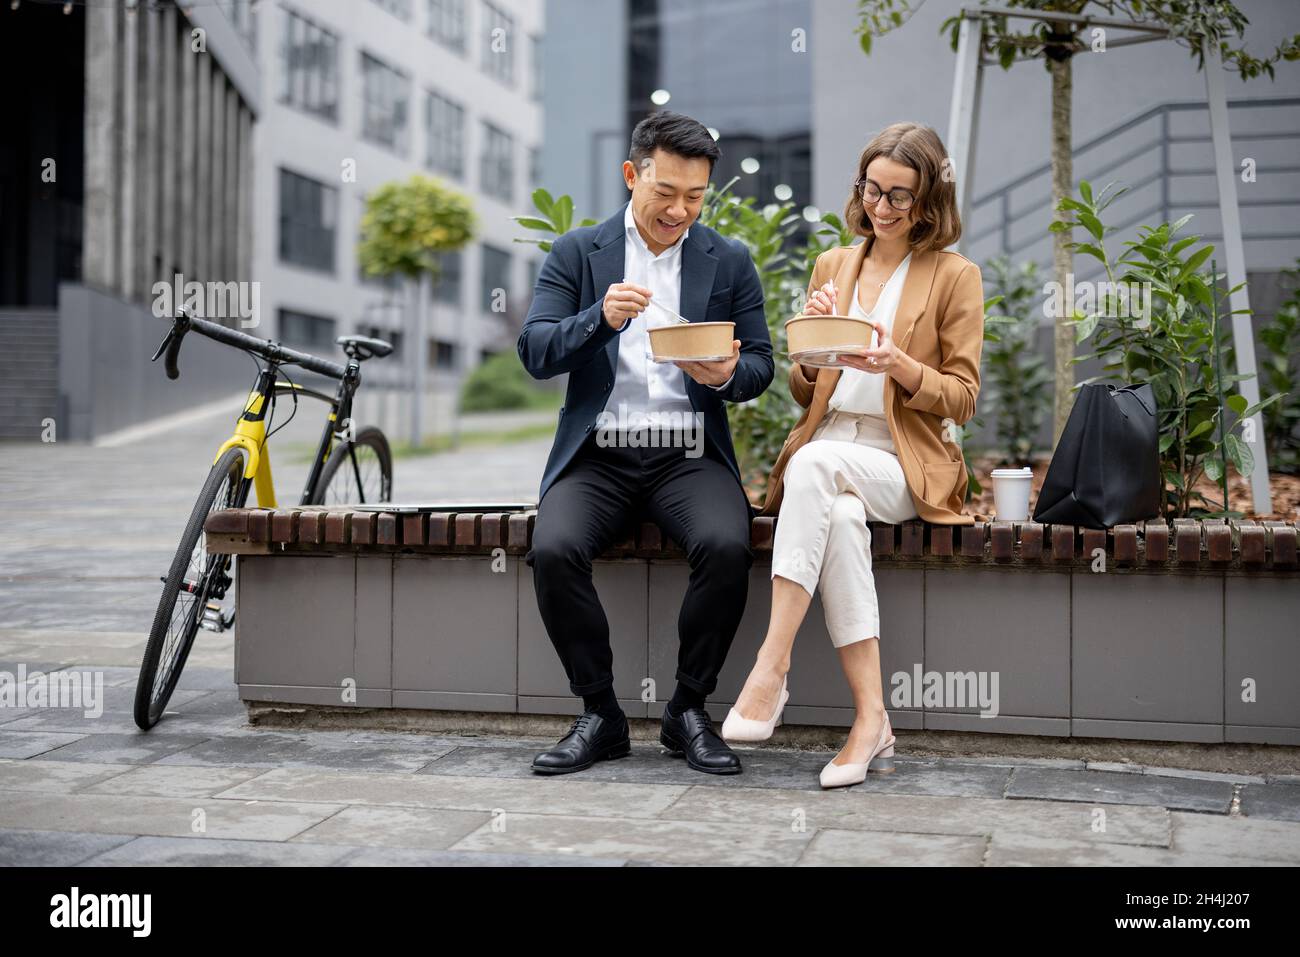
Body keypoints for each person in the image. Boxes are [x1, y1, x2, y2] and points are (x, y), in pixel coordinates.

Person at [720, 122, 985, 789]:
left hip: (904, 459)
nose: (884, 206)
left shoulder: (955, 275)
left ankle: (771, 665)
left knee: (814, 466)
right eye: (874, 189)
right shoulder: (836, 264)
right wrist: (808, 354)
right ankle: (872, 720)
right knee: (834, 516)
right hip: (833, 440)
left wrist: (900, 364)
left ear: (929, 203)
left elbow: (963, 397)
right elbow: (805, 390)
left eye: (902, 195)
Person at [518, 111, 774, 776]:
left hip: (687, 453)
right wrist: (597, 319)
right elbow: (536, 351)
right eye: (666, 192)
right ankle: (599, 712)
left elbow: (761, 367)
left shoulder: (728, 260)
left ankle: (688, 707)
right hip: (599, 454)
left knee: (726, 544)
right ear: (633, 175)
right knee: (552, 547)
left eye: (696, 196)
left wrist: (725, 375)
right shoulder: (578, 253)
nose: (680, 210)